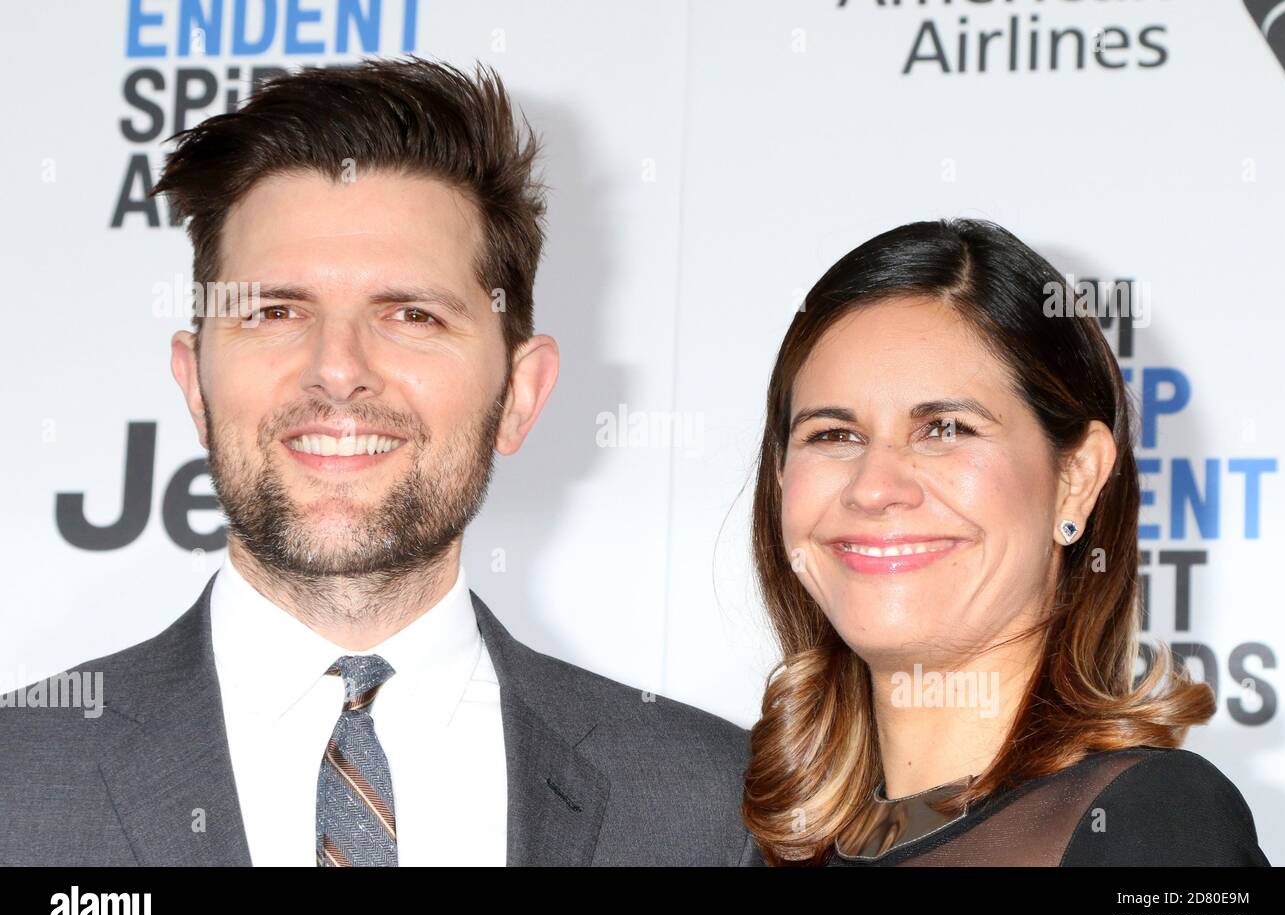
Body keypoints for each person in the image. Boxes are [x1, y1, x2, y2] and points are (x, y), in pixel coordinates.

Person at [0, 56, 756, 867]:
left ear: (521, 394)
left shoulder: (710, 806)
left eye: (412, 314)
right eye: (276, 311)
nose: (338, 368)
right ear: (195, 385)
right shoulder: (20, 780)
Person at [740, 218, 1270, 866]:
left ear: (1075, 479)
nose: (874, 487)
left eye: (944, 428)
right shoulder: (757, 837)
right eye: (833, 435)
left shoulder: (1149, 824)